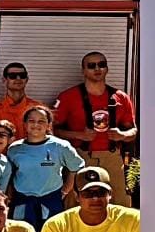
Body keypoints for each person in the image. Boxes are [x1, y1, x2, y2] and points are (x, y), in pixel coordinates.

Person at [53, 51, 137, 205]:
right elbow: (53, 131)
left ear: (107, 69)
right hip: (79, 157)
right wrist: (79, 135)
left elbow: (133, 131)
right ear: (83, 71)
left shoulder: (121, 97)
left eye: (102, 64)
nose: (97, 68)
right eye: (91, 66)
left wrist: (122, 135)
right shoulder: (67, 97)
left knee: (120, 203)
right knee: (75, 203)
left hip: (112, 157)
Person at [7, 106, 84, 229]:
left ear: (48, 125)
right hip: (22, 202)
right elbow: (9, 176)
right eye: (31, 121)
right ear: (25, 125)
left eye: (41, 121)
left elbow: (75, 168)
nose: (36, 124)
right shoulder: (14, 149)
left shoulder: (60, 146)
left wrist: (65, 191)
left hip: (51, 200)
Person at [0, 62, 43, 133]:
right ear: (4, 80)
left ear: (27, 79)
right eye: (12, 76)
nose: (18, 78)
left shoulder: (39, 109)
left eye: (22, 75)